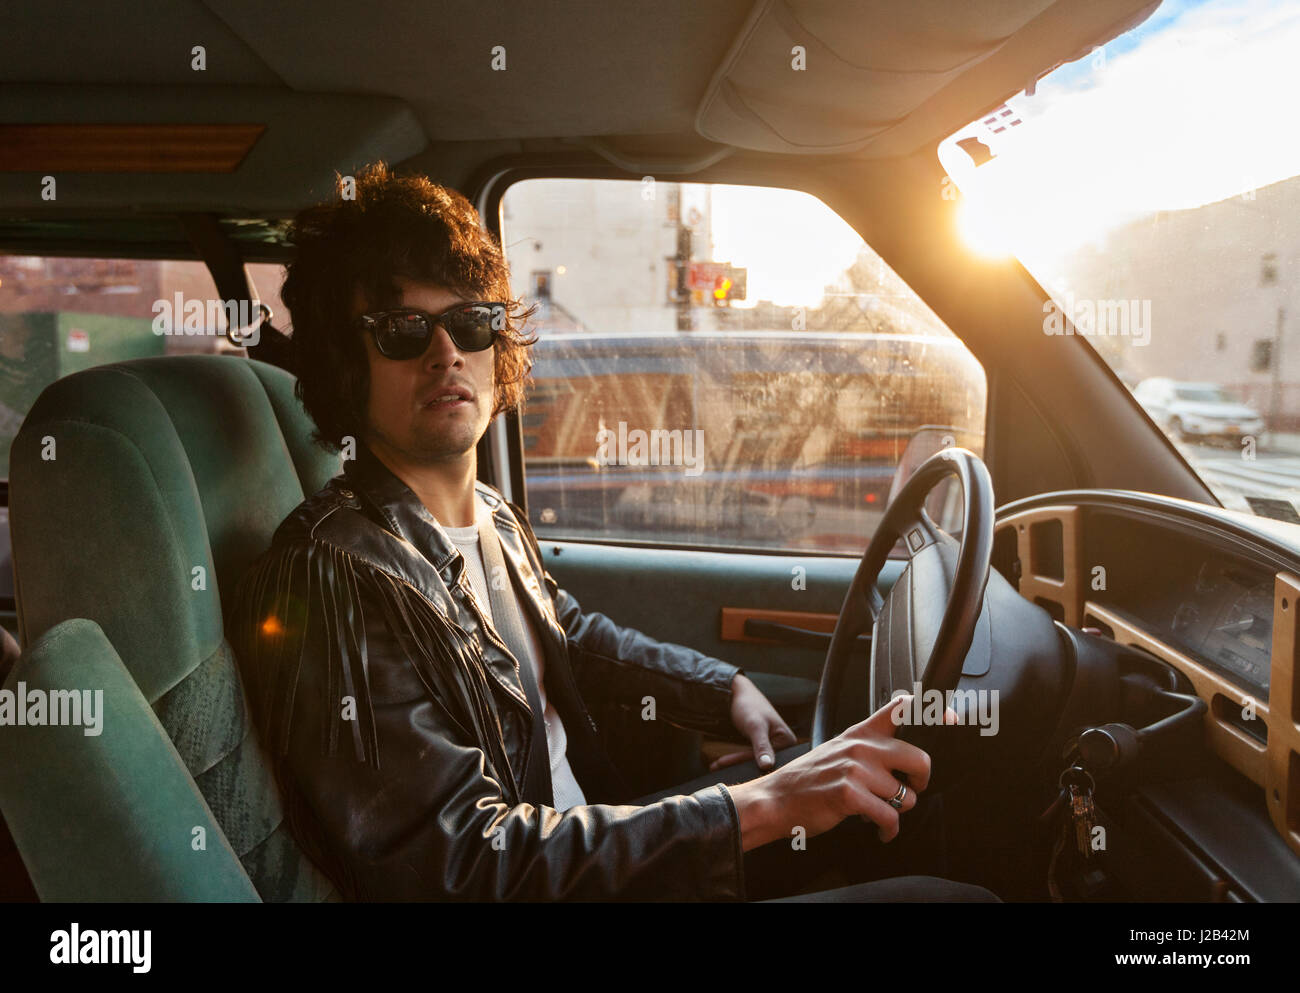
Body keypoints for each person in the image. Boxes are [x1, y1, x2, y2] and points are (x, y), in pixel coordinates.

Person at [230, 162, 996, 902]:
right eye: (403, 330)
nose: (446, 352)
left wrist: (718, 689)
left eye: (471, 321)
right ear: (344, 360)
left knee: (894, 793)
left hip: (585, 853)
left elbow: (569, 636)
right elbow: (455, 865)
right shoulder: (333, 572)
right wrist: (760, 807)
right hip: (546, 878)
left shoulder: (486, 516)